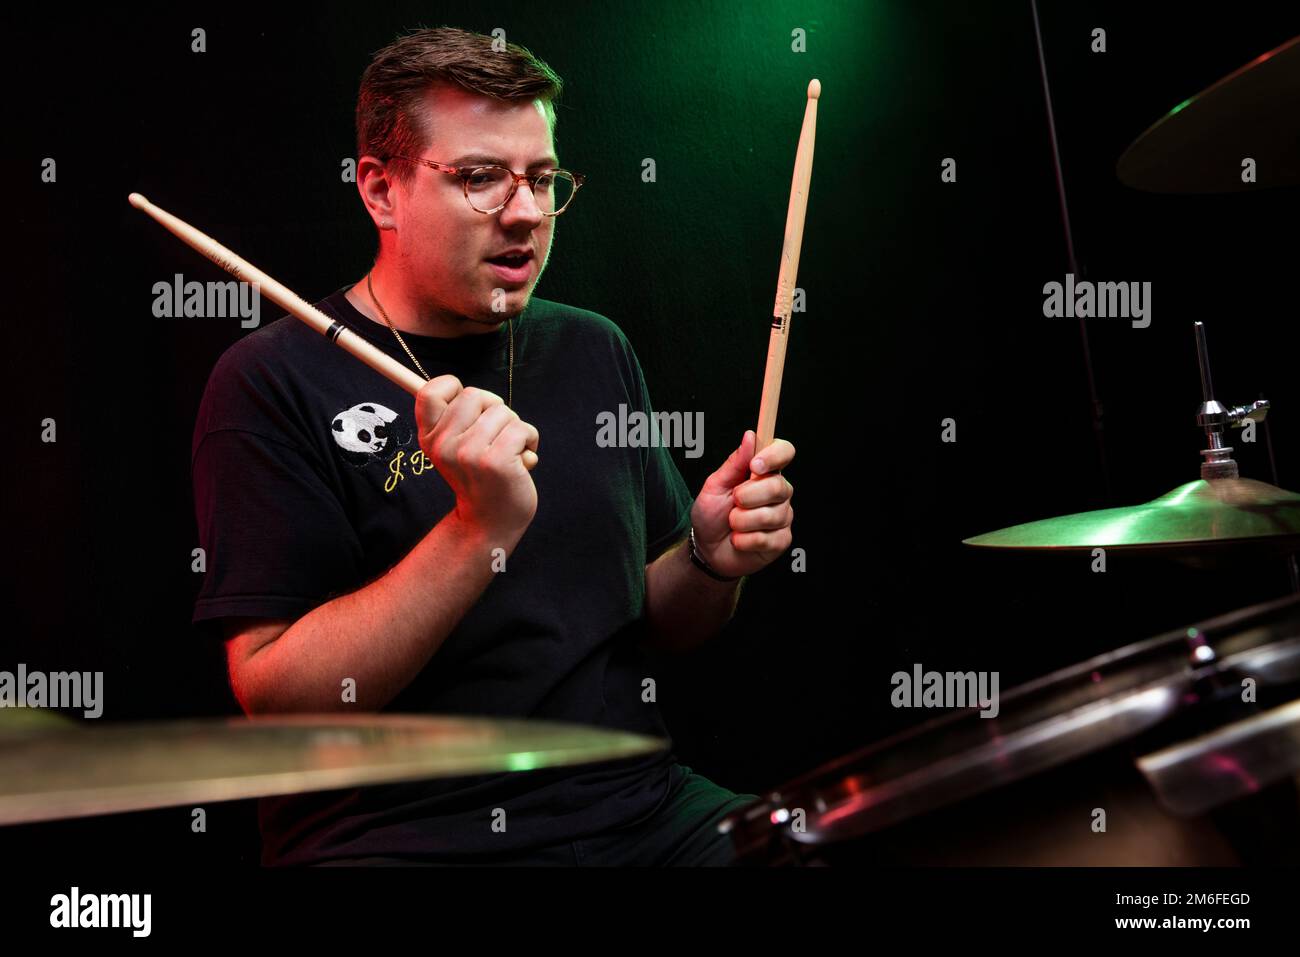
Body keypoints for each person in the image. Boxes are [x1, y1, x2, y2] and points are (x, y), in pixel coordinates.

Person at [190, 26, 795, 866]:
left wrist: (708, 555)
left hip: (637, 811)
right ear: (381, 190)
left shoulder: (593, 347)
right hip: (394, 842)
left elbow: (659, 620)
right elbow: (278, 695)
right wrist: (477, 532)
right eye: (480, 178)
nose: (523, 213)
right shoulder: (270, 380)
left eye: (542, 181)